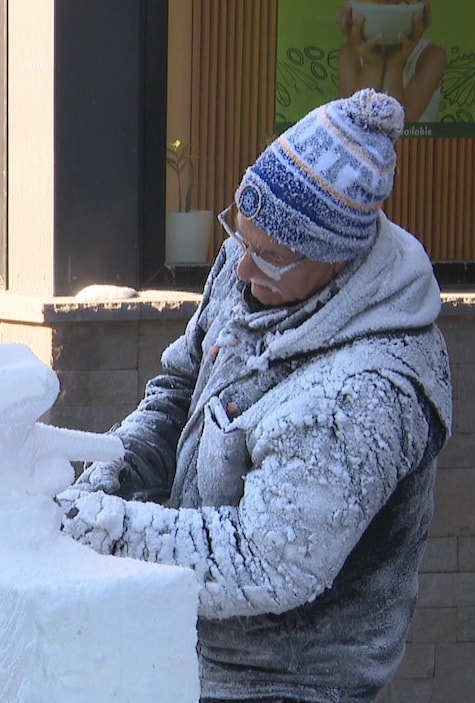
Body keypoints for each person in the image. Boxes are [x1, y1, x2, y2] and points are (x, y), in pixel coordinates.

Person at [55, 89, 453, 703]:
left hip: (292, 683)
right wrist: (109, 478)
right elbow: (178, 390)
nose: (242, 270)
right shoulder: (251, 267)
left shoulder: (366, 390)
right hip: (189, 655)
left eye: (269, 257)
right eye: (240, 238)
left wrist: (104, 529)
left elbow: (270, 560)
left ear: (335, 258)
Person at [338, 0, 445, 123]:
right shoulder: (349, 53)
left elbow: (398, 127)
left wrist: (395, 62)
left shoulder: (431, 55)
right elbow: (351, 125)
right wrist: (372, 63)